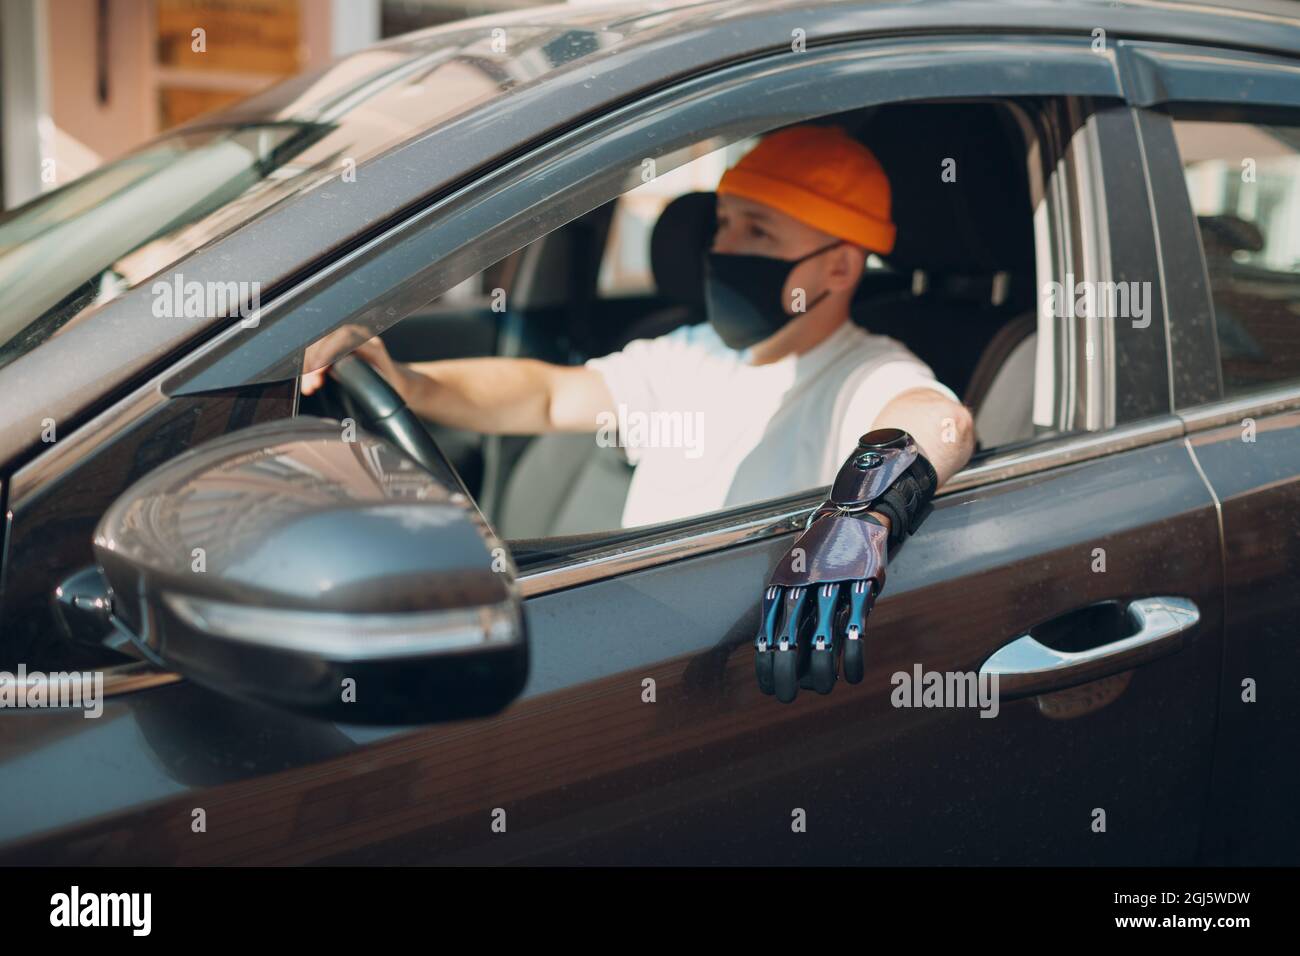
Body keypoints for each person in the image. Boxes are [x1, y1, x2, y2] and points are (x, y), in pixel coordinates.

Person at [303, 125, 974, 533]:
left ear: (837, 269)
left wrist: (869, 512)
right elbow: (547, 394)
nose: (724, 246)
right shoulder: (693, 356)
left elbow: (940, 423)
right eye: (724, 223)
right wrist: (408, 382)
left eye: (758, 231)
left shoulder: (865, 372)